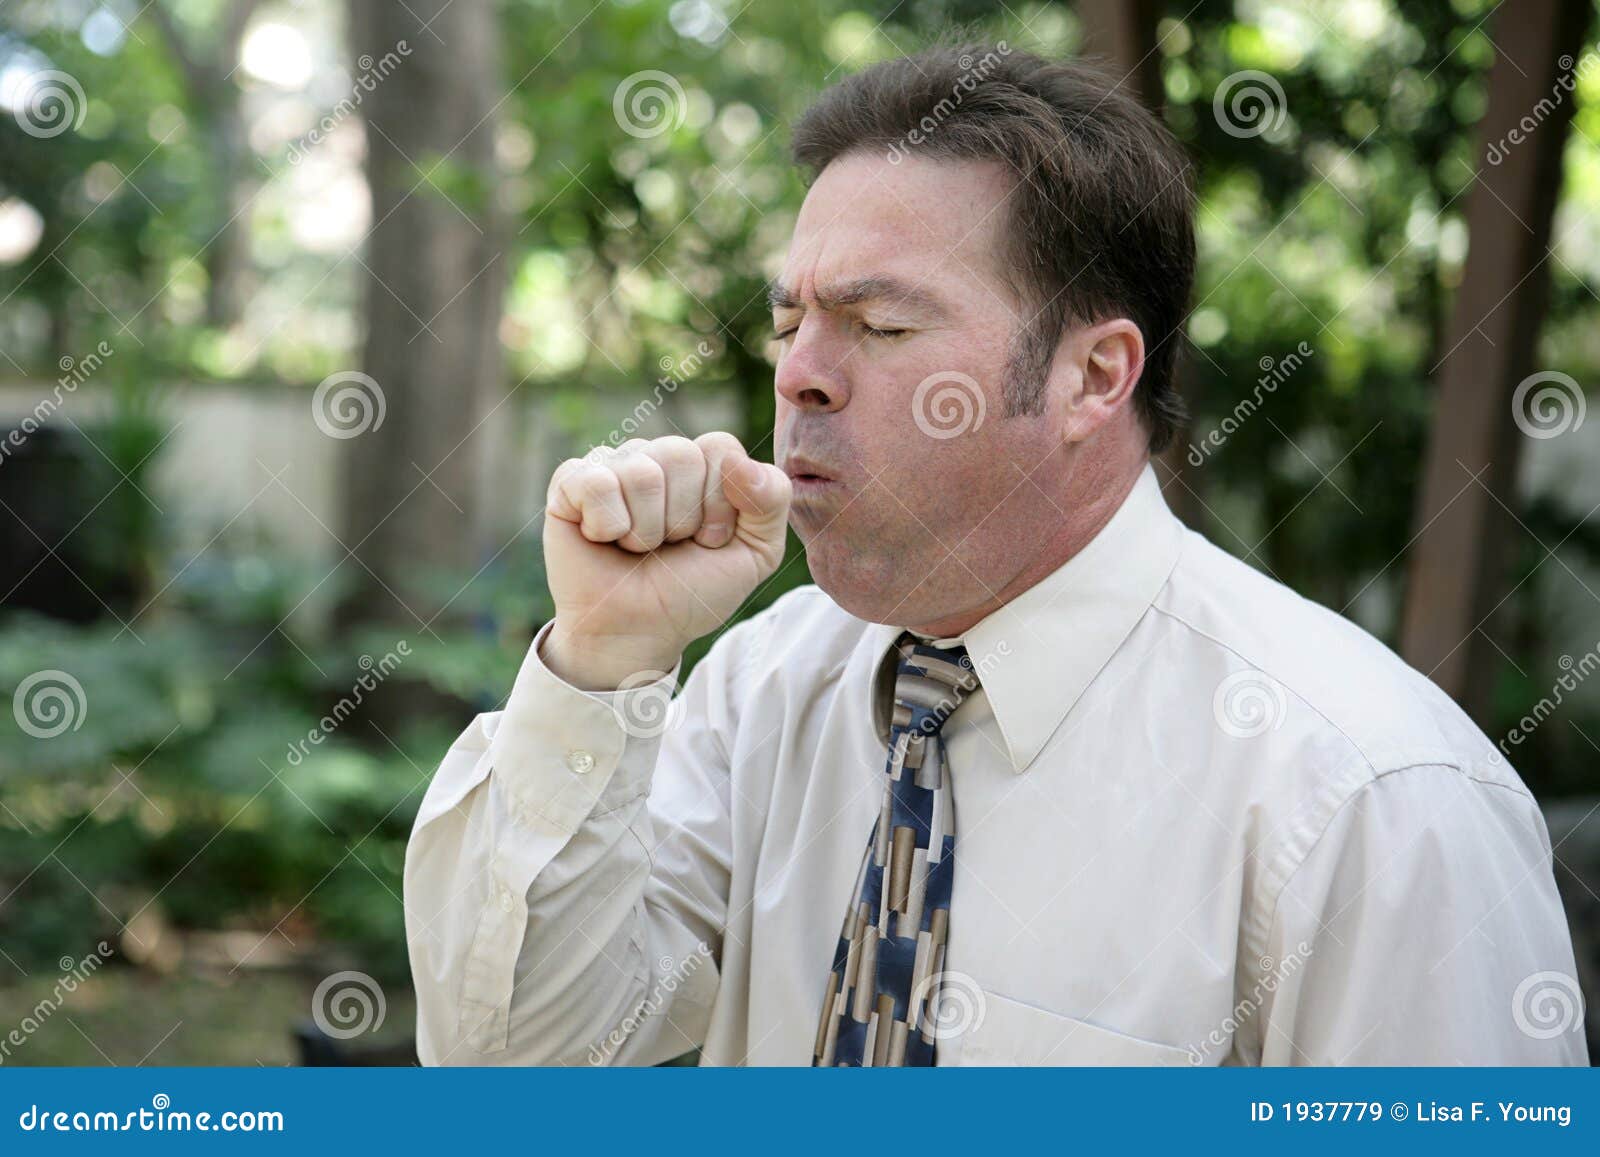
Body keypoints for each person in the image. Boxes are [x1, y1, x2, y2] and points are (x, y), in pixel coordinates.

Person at [403, 42, 1588, 1067]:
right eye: (787, 320)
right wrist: (602, 658)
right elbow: (513, 1060)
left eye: (880, 323)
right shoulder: (760, 688)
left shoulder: (1369, 798)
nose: (799, 370)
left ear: (1092, 375)